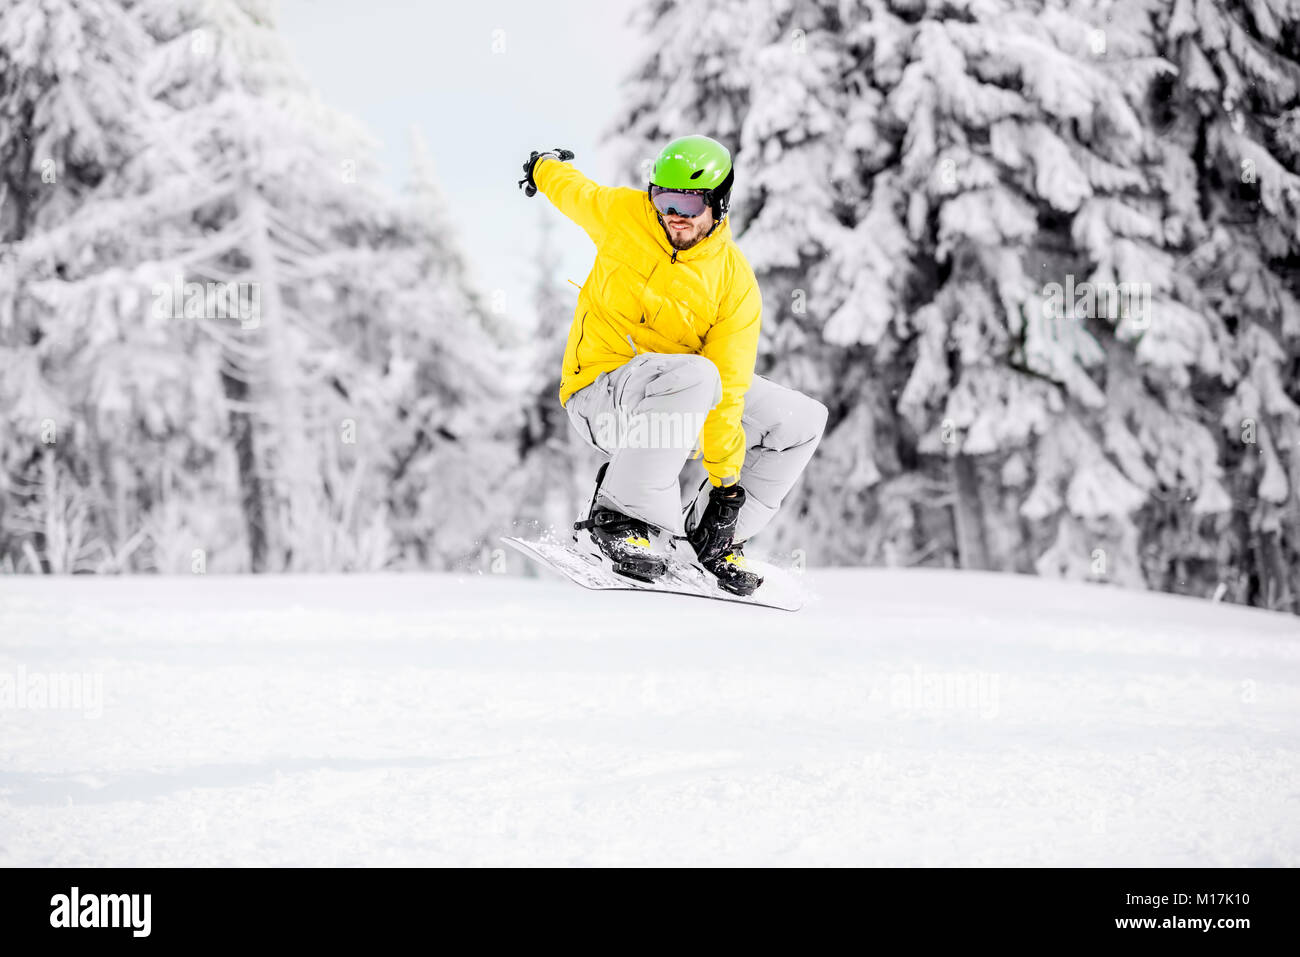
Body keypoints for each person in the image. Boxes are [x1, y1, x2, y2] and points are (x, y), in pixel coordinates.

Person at [518, 135, 827, 596]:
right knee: (696, 374)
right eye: (664, 199)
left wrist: (726, 491)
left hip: (679, 409)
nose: (673, 215)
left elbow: (730, 390)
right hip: (599, 396)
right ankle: (621, 516)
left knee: (800, 421)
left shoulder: (733, 283)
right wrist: (543, 166)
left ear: (719, 202)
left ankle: (712, 538)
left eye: (688, 201)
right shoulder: (625, 216)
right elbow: (572, 190)